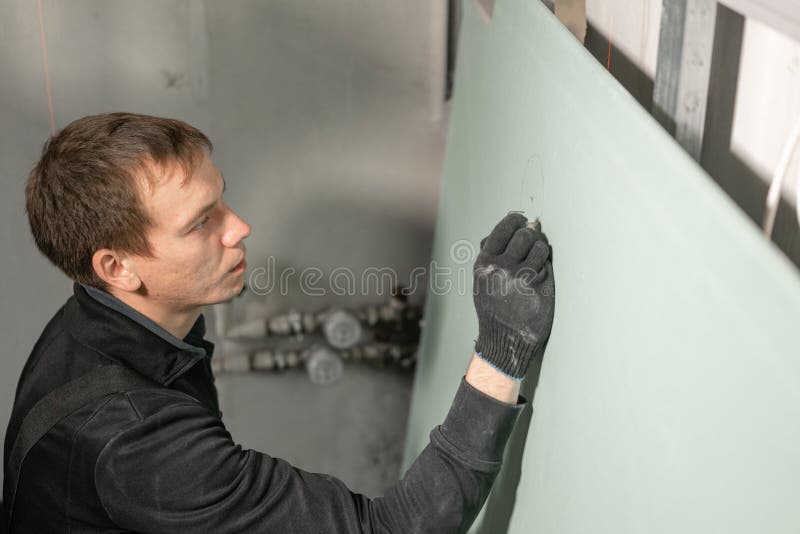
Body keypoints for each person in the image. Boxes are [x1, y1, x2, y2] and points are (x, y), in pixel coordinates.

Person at [2, 112, 555, 533]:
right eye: (200, 224)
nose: (239, 227)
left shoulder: (97, 322)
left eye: (222, 200)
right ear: (117, 268)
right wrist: (500, 355)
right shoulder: (136, 440)